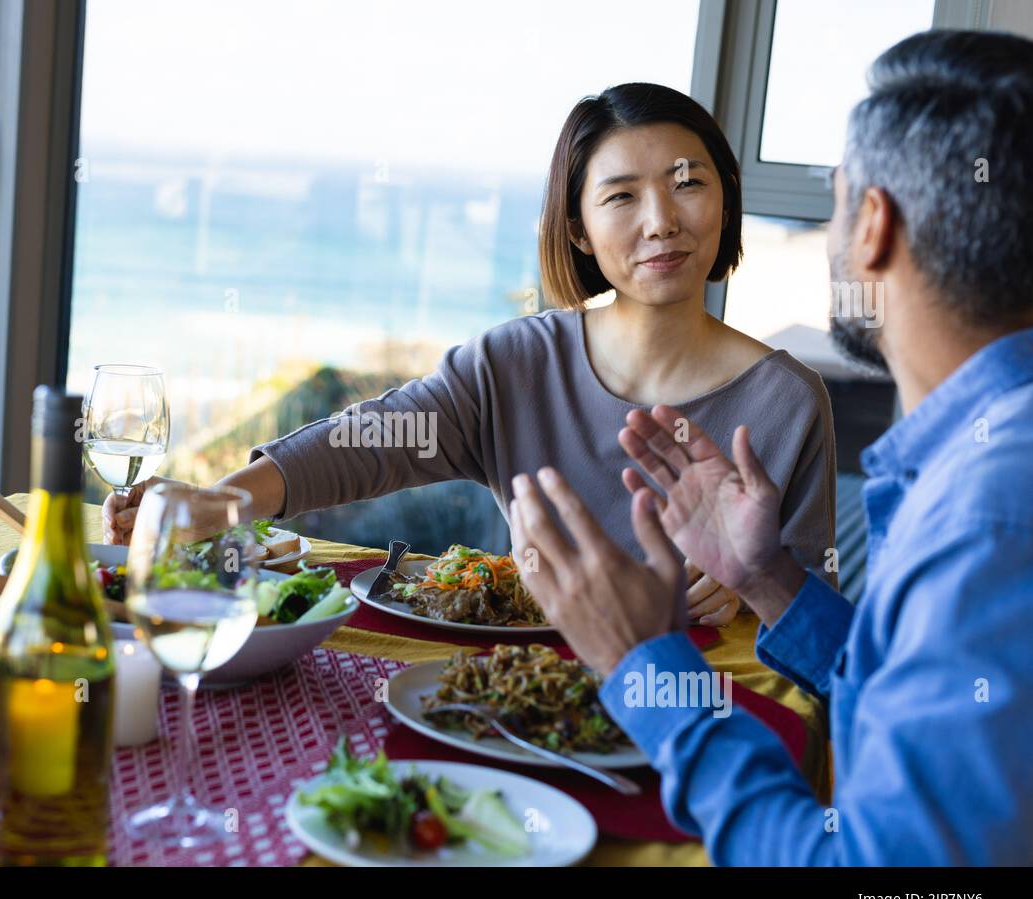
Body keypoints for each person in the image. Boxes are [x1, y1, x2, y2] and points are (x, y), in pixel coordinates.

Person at [508, 29, 1033, 864]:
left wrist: (648, 665)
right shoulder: (988, 457)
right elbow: (914, 694)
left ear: (871, 224)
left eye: (833, 206)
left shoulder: (990, 516)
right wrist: (772, 580)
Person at [106, 83, 838, 628]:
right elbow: (374, 439)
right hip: (513, 698)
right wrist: (223, 501)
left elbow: (816, 623)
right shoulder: (517, 364)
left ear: (725, 199)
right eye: (621, 197)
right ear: (579, 230)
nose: (661, 221)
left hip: (700, 722)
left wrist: (755, 585)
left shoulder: (789, 403)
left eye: (688, 183)